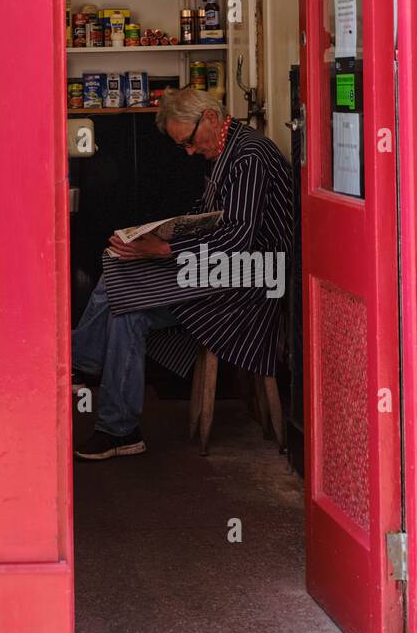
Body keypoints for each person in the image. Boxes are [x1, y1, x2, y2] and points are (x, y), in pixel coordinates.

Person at [72, 87, 294, 460]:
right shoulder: (226, 148)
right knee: (127, 298)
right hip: (222, 271)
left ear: (209, 117)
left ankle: (77, 365)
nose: (190, 152)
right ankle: (119, 430)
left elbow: (237, 239)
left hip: (250, 282)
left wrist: (161, 249)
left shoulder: (250, 155)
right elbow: (207, 214)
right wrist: (157, 232)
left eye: (189, 142)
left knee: (120, 278)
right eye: (184, 146)